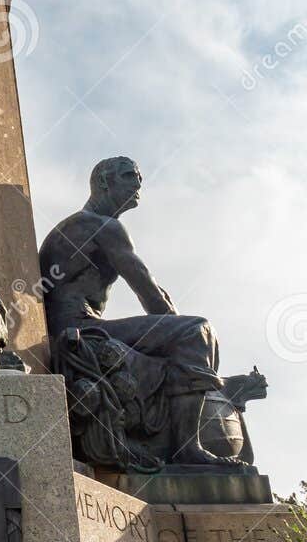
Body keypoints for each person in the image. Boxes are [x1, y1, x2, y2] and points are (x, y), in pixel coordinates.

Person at [40, 159, 256, 469]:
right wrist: (190, 340)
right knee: (196, 330)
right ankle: (187, 448)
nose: (138, 184)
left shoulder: (81, 224)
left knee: (186, 336)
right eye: (129, 176)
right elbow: (148, 291)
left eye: (140, 177)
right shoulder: (101, 226)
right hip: (81, 327)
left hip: (77, 324)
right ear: (103, 182)